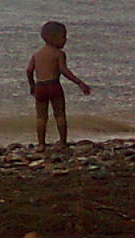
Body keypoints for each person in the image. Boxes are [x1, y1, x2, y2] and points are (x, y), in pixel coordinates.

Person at [26, 20, 91, 149]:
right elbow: (64, 71)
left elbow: (29, 71)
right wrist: (79, 82)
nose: (66, 40)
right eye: (63, 37)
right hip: (53, 85)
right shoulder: (59, 54)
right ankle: (62, 141)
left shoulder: (37, 54)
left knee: (41, 117)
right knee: (60, 114)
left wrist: (32, 85)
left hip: (40, 86)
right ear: (52, 38)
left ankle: (41, 144)